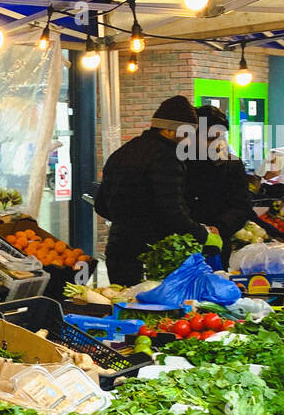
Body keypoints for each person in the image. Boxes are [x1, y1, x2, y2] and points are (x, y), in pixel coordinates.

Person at [95, 95, 221, 285]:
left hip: (119, 251)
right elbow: (171, 211)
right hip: (154, 256)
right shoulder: (166, 158)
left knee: (123, 309)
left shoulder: (123, 152)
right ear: (170, 130)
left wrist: (127, 219)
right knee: (153, 311)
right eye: (186, 133)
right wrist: (203, 235)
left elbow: (101, 205)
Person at [185, 105, 254, 269]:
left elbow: (242, 206)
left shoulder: (232, 165)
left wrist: (219, 227)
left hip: (217, 247)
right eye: (210, 138)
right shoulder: (177, 164)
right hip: (181, 247)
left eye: (221, 137)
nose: (217, 144)